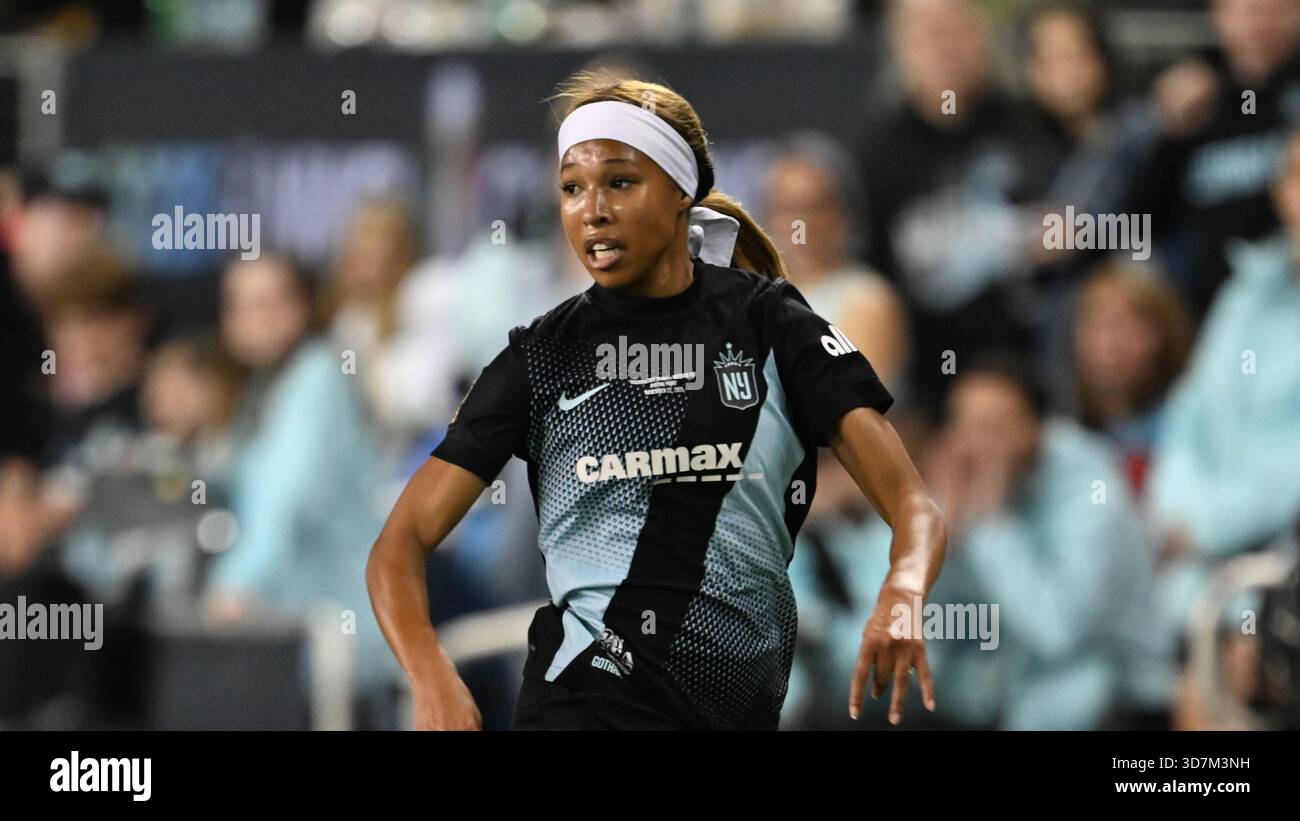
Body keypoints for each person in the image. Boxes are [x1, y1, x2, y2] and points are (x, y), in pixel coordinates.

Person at [367, 71, 948, 731]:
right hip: (578, 702)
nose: (593, 209)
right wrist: (429, 671)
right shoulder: (541, 355)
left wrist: (902, 591)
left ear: (679, 193)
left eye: (619, 181)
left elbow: (913, 505)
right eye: (571, 188)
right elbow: (400, 540)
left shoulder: (771, 326)